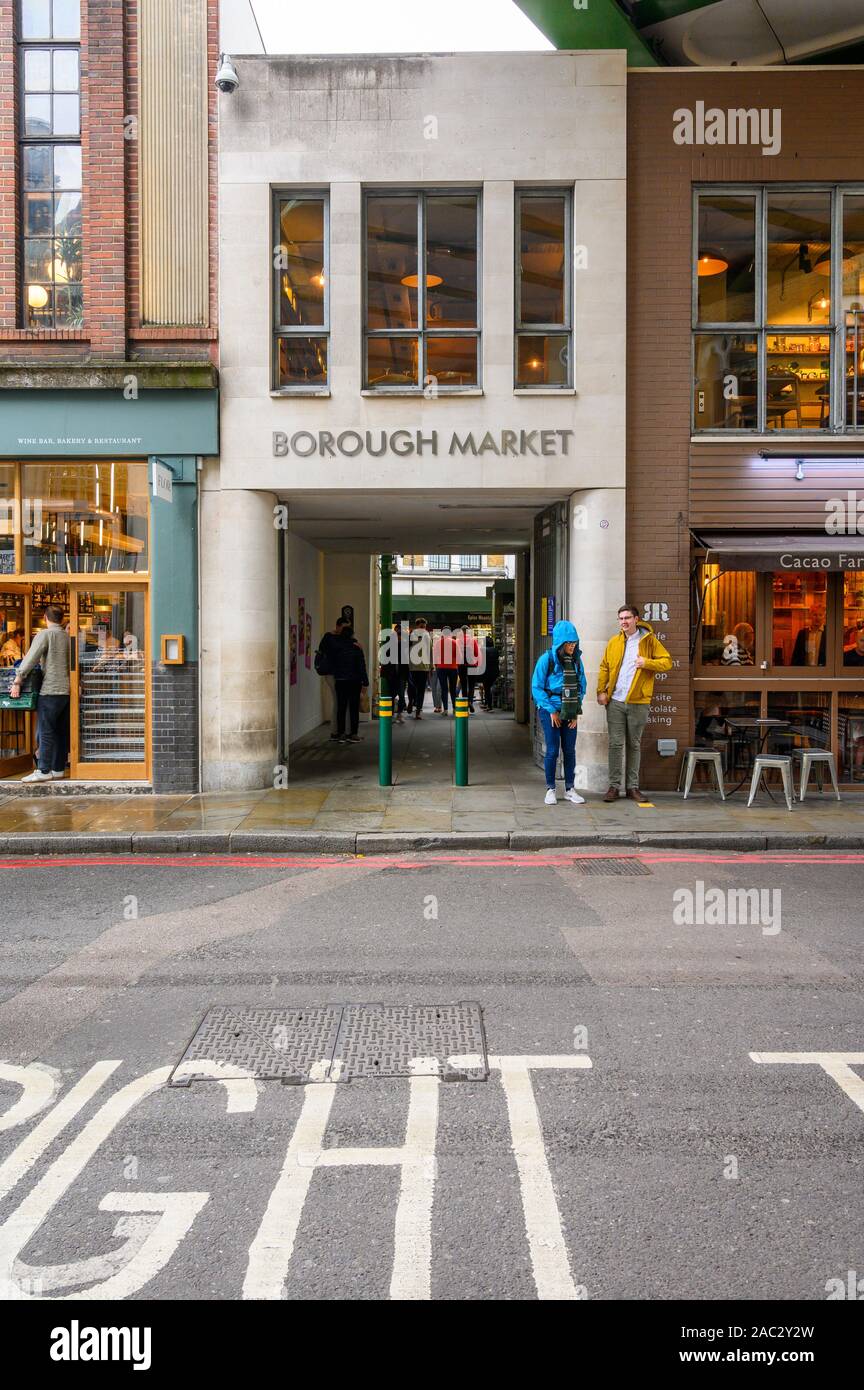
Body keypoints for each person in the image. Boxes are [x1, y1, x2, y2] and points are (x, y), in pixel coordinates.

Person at [597, 603, 673, 803]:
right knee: (615, 744)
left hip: (639, 701)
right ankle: (614, 787)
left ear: (636, 620)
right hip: (615, 701)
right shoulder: (614, 642)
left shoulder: (648, 641)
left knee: (634, 744)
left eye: (627, 618)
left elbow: (667, 662)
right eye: (621, 618)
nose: (623, 622)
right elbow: (604, 667)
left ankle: (632, 787)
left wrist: (646, 663)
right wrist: (601, 691)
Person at [10, 605, 70, 783]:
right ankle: (58, 768)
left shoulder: (45, 635)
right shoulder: (67, 637)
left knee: (45, 731)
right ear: (61, 618)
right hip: (66, 691)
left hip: (50, 689)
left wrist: (17, 680)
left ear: (45, 617)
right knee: (61, 731)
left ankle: (44, 770)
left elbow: (31, 658)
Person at [531, 619, 587, 806]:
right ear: (560, 643)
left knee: (569, 750)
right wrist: (551, 710)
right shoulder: (546, 660)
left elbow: (581, 686)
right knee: (553, 750)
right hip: (550, 710)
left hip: (570, 710)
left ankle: (570, 789)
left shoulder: (577, 661)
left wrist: (575, 712)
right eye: (569, 643)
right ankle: (550, 789)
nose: (572, 646)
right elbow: (537, 688)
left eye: (574, 642)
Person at [331, 623, 369, 743]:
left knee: (341, 708)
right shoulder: (356, 647)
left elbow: (332, 663)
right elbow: (361, 666)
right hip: (354, 681)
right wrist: (365, 681)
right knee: (353, 708)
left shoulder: (336, 648)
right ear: (352, 635)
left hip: (340, 680)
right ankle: (353, 734)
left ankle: (341, 733)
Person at [315, 617, 349, 739]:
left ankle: (338, 730)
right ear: (338, 626)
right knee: (338, 701)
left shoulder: (334, 638)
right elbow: (336, 651)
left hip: (337, 673)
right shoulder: (330, 637)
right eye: (345, 627)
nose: (346, 630)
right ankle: (337, 731)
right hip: (332, 673)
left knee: (339, 701)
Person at [380, 621, 409, 724]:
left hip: (401, 673)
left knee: (401, 694)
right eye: (397, 633)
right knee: (391, 694)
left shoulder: (405, 643)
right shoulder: (389, 641)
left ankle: (399, 714)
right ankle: (391, 714)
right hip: (391, 673)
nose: (398, 635)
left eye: (400, 633)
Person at [408, 617, 432, 718]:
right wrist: (431, 666)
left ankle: (411, 702)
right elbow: (430, 652)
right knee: (421, 689)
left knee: (412, 687)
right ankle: (418, 711)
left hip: (413, 666)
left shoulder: (411, 635)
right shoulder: (427, 636)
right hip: (423, 667)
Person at [435, 626, 460, 715]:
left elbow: (435, 656)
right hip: (453, 668)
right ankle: (454, 708)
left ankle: (445, 710)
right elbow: (459, 656)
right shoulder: (454, 642)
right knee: (453, 689)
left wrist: (437, 666)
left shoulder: (438, 643)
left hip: (441, 668)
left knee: (444, 689)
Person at [458, 625, 481, 712]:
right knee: (471, 686)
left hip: (461, 666)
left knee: (463, 685)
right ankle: (470, 701)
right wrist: (477, 664)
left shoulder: (458, 640)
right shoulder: (473, 640)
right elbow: (476, 653)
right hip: (472, 665)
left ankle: (464, 705)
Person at [479, 635, 500, 710]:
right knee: (490, 687)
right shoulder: (495, 650)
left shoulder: (483, 650)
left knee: (487, 688)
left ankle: (489, 706)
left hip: (486, 672)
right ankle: (487, 704)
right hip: (495, 672)